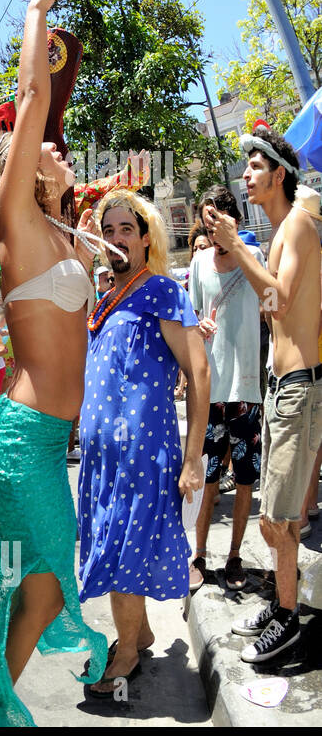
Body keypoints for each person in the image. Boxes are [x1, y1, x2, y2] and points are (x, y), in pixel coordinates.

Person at [0, 0, 108, 727]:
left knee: (22, 582)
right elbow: (36, 99)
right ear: (19, 168)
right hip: (20, 442)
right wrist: (38, 13)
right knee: (43, 585)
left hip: (37, 442)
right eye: (42, 150)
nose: (56, 150)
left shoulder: (63, 236)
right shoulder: (19, 224)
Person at [77, 190, 208, 694]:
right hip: (103, 460)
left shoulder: (162, 290)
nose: (115, 239)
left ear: (145, 237)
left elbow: (199, 371)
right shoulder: (109, 297)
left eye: (125, 230)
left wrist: (193, 456)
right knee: (116, 547)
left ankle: (127, 651)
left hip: (142, 457)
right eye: (107, 231)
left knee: (119, 551)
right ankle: (143, 631)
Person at [202, 123, 322, 663]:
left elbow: (280, 294)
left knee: (277, 517)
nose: (245, 174)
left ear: (279, 174)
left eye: (255, 166)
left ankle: (289, 621)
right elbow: (273, 307)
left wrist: (233, 246)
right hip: (283, 387)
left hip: (299, 388)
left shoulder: (297, 224)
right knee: (282, 517)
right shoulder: (281, 233)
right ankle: (281, 603)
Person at [188, 187, 265, 592]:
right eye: (206, 220)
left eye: (217, 218)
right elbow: (191, 316)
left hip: (247, 388)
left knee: (247, 478)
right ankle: (197, 555)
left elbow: (273, 303)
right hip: (211, 388)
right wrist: (197, 326)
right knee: (208, 477)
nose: (210, 227)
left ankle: (234, 555)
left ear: (233, 219)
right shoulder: (199, 262)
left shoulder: (256, 260)